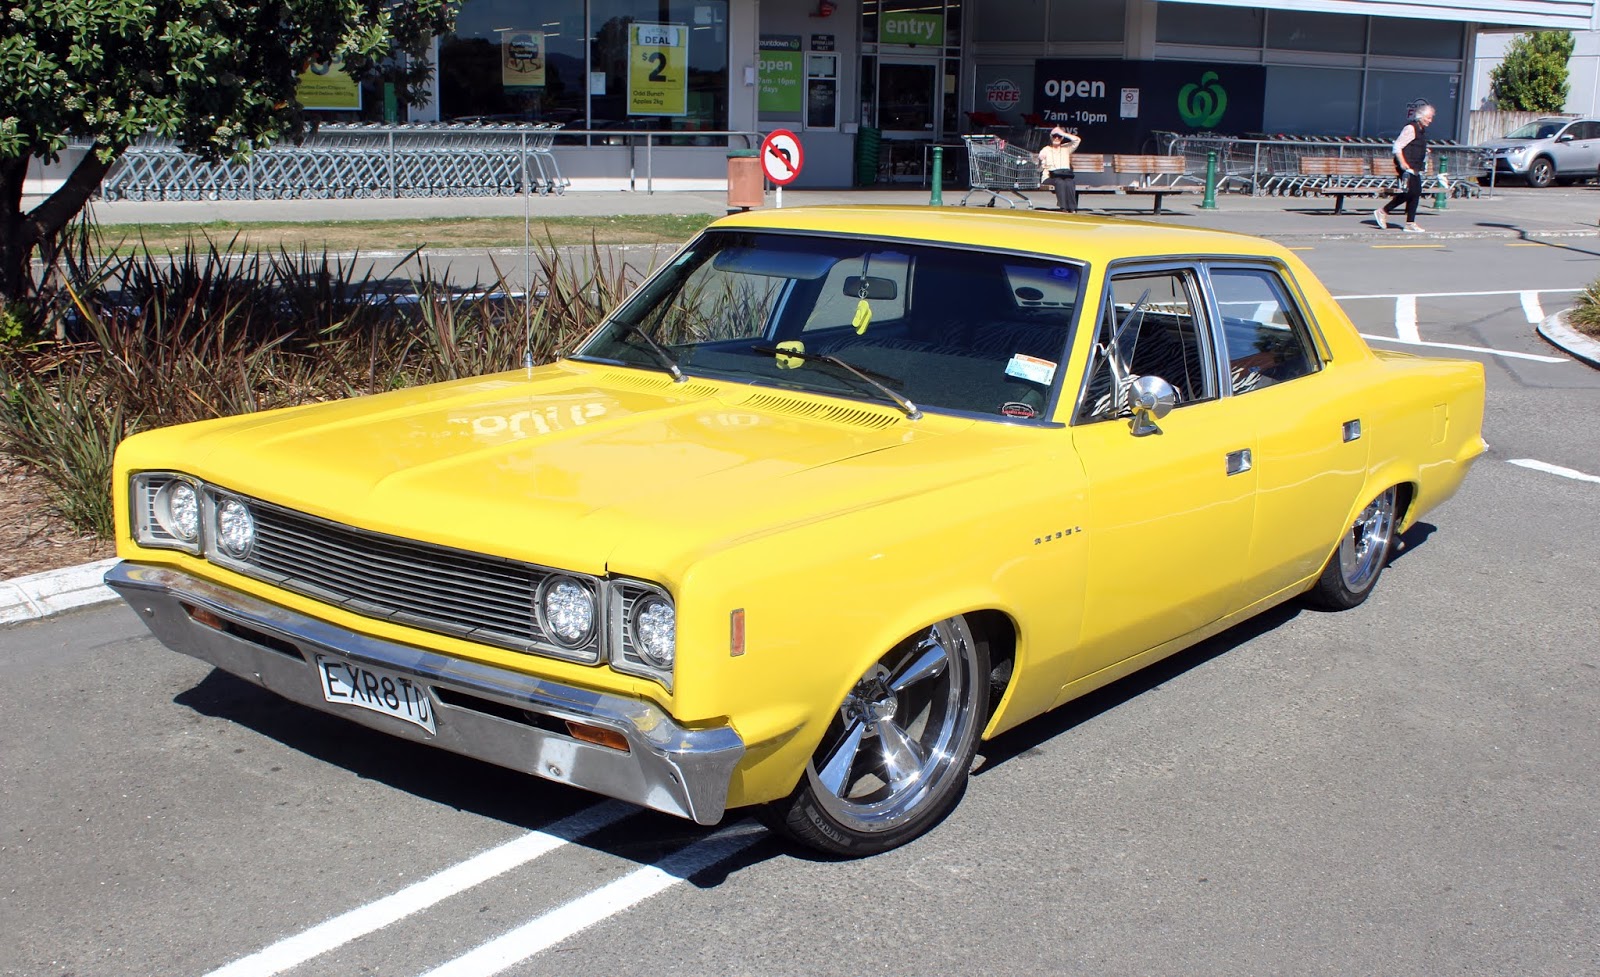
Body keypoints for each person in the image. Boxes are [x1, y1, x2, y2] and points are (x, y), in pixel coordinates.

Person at [1374, 102, 1435, 233]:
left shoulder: (1421, 130)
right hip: (1407, 166)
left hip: (1416, 166)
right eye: (1428, 117)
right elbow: (1397, 146)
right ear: (1421, 116)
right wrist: (1402, 163)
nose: (1430, 121)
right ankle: (1383, 211)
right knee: (1410, 192)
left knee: (1416, 192)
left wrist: (1424, 150)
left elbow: (1414, 145)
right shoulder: (1410, 128)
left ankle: (1410, 223)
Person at [1038, 126, 1083, 213]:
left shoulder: (1066, 148)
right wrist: (1041, 160)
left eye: (1059, 136)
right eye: (1055, 136)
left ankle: (1072, 208)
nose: (1057, 138)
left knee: (1070, 182)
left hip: (1065, 175)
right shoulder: (1046, 149)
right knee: (1060, 182)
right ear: (1051, 137)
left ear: (1062, 138)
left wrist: (1063, 133)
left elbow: (1077, 140)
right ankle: (1063, 207)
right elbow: (1040, 164)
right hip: (1049, 177)